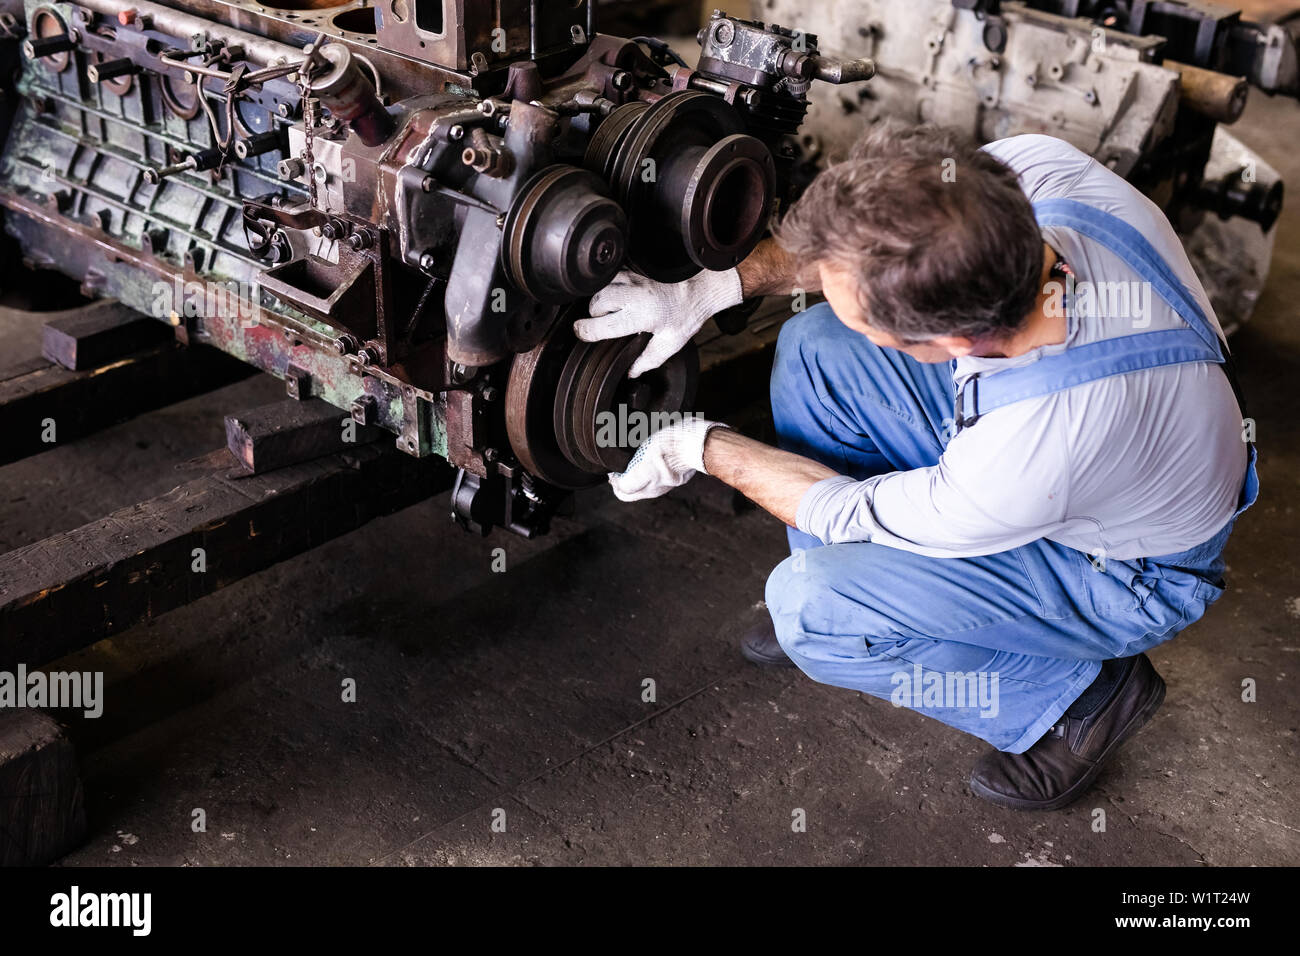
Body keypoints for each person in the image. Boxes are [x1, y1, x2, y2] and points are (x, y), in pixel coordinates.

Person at [573, 121, 1258, 811]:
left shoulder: (1023, 457)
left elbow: (843, 508)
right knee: (815, 344)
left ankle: (1074, 698)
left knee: (809, 611)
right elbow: (864, 245)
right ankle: (861, 590)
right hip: (1118, 456)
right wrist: (715, 288)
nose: (859, 325)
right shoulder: (1035, 178)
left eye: (874, 326)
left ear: (952, 341)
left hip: (1126, 571)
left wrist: (701, 447)